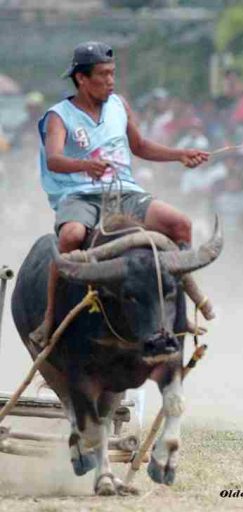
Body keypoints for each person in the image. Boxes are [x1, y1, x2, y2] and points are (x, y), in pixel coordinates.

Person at [34, 41, 208, 340]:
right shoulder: (59, 115)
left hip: (125, 192)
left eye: (113, 73)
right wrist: (84, 165)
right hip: (80, 195)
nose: (111, 81)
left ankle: (177, 312)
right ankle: (51, 317)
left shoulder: (119, 105)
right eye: (103, 74)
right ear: (81, 79)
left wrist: (179, 154)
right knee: (70, 237)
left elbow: (140, 146)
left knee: (181, 224)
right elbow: (54, 159)